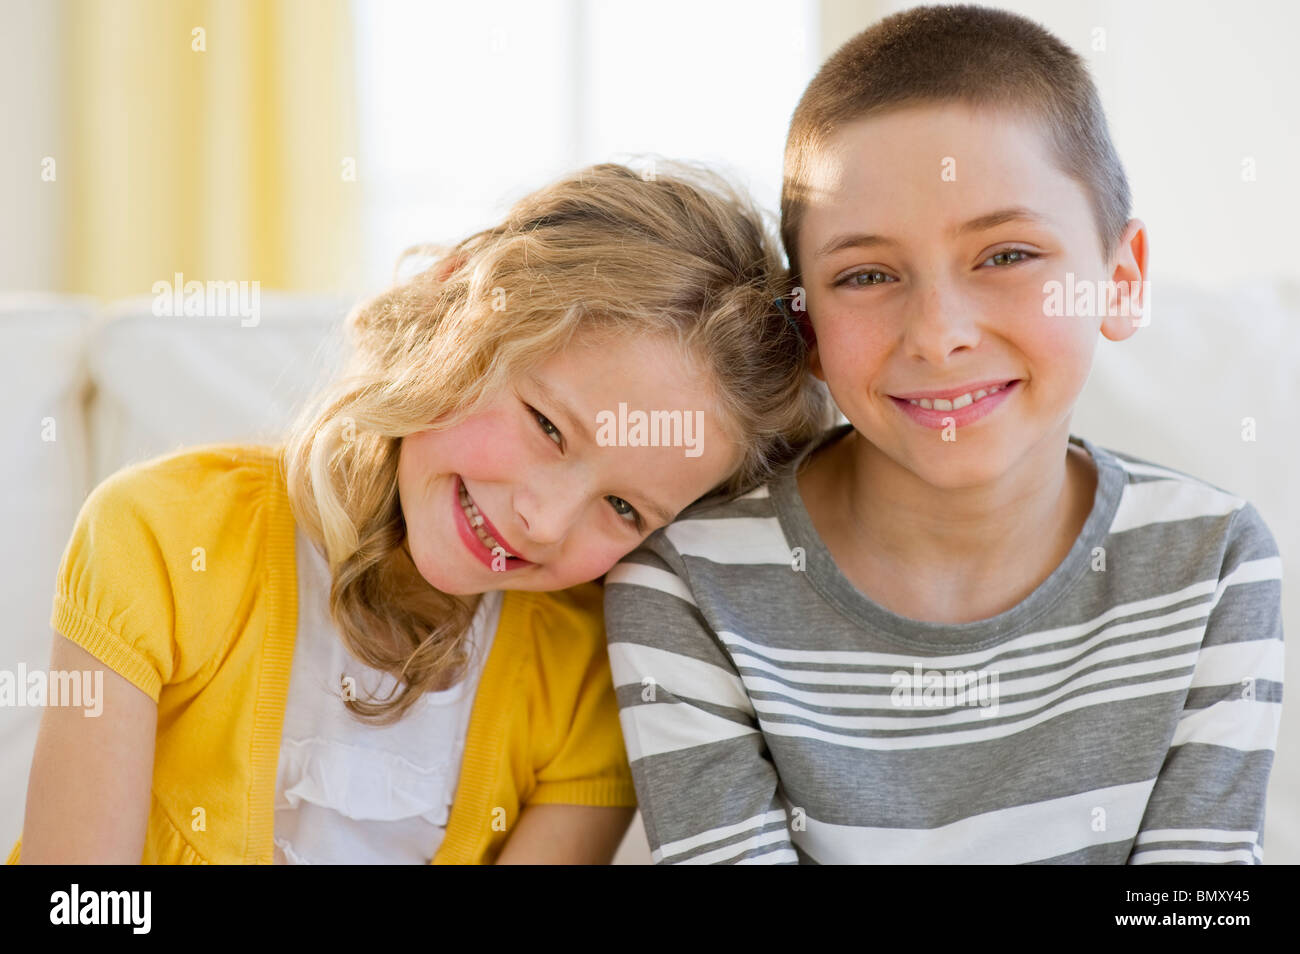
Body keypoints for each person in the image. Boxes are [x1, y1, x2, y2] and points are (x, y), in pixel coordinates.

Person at [605, 5, 1284, 864]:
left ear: (1121, 279)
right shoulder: (691, 587)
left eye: (1006, 256)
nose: (938, 332)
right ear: (804, 324)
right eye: (866, 274)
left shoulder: (1212, 559)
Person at [13, 162, 832, 864]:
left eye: (622, 507)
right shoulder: (159, 537)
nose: (543, 522)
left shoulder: (590, 672)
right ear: (452, 305)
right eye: (546, 426)